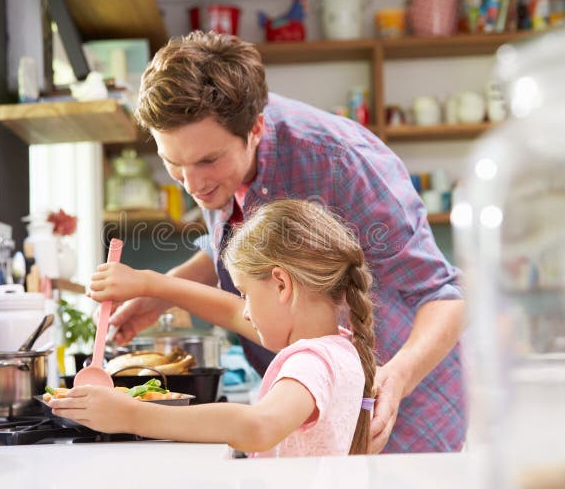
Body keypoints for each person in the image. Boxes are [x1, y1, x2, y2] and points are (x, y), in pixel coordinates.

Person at [107, 31, 466, 453]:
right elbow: (236, 243)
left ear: (255, 128)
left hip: (404, 410)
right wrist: (165, 292)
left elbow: (445, 295)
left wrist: (399, 376)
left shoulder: (341, 162)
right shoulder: (212, 162)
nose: (193, 184)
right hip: (313, 415)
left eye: (208, 161)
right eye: (173, 164)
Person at [51, 200, 376, 457]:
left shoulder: (311, 362)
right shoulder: (339, 346)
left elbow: (259, 426)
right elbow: (231, 313)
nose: (245, 311)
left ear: (281, 284)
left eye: (246, 294)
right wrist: (148, 283)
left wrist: (131, 415)